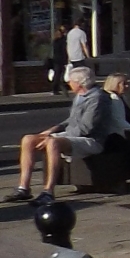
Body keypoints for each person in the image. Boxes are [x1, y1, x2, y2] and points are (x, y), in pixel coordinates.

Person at [13, 66, 116, 200]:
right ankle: (24, 188)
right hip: (72, 136)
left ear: (79, 83)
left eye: (71, 81)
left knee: (53, 142)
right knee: (28, 139)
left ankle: (48, 191)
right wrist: (53, 129)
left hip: (91, 140)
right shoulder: (80, 95)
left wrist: (55, 137)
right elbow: (71, 120)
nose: (69, 84)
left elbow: (85, 128)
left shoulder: (98, 98)